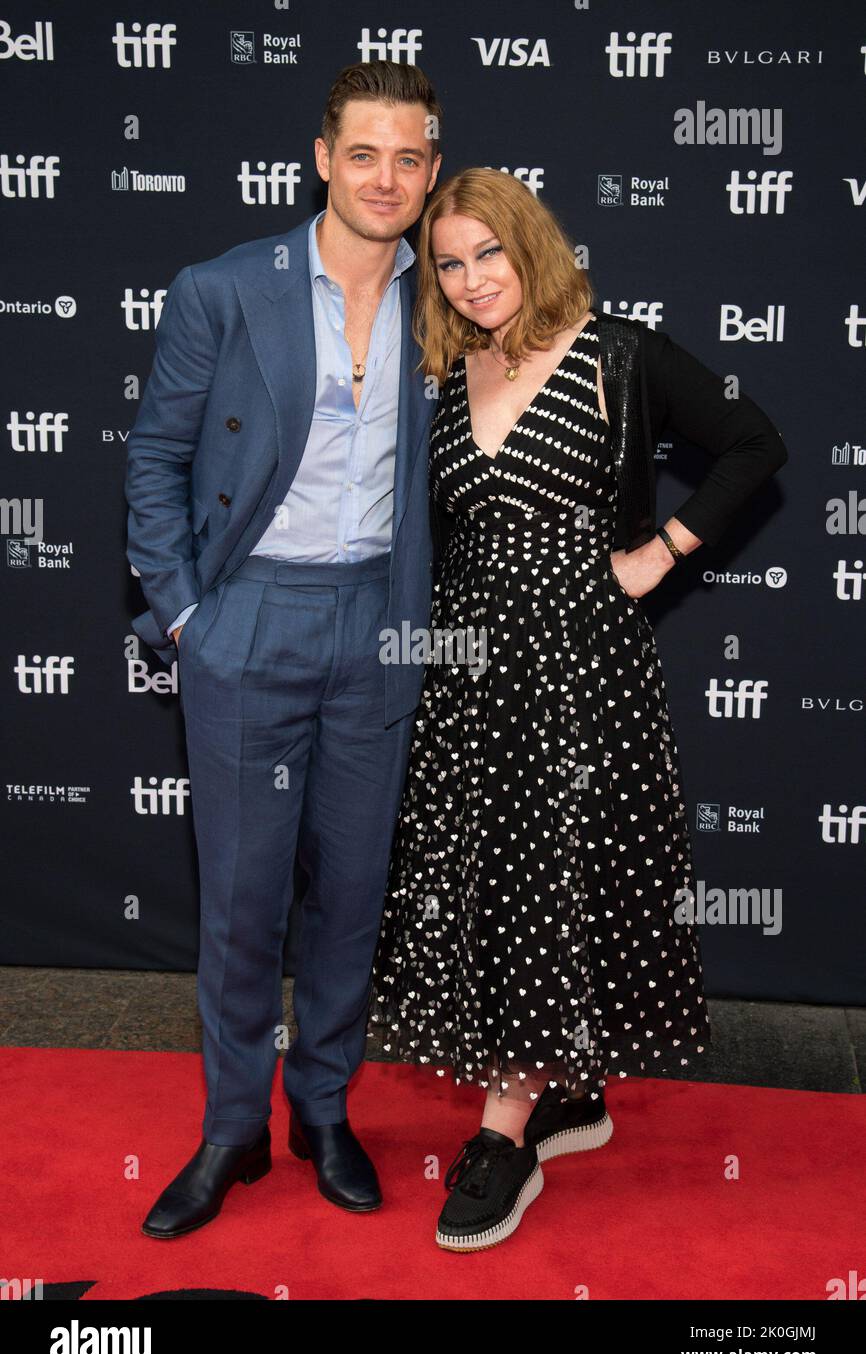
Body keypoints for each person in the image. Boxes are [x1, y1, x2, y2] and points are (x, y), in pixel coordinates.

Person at [368, 167, 788, 1251]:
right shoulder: (449, 372)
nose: (469, 281)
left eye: (486, 255)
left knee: (548, 871)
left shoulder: (619, 353)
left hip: (579, 667)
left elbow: (754, 445)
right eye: (449, 264)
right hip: (469, 672)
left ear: (530, 245)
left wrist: (660, 552)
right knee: (493, 875)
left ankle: (502, 1132)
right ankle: (566, 1091)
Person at [125, 60, 443, 1238]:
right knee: (242, 904)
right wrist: (191, 616)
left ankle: (321, 1109)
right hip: (248, 614)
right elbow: (155, 458)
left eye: (409, 156)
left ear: (430, 168)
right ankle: (229, 1128)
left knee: (352, 896)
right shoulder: (223, 290)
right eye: (364, 153)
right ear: (321, 157)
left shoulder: (450, 299)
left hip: (379, 621)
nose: (386, 177)